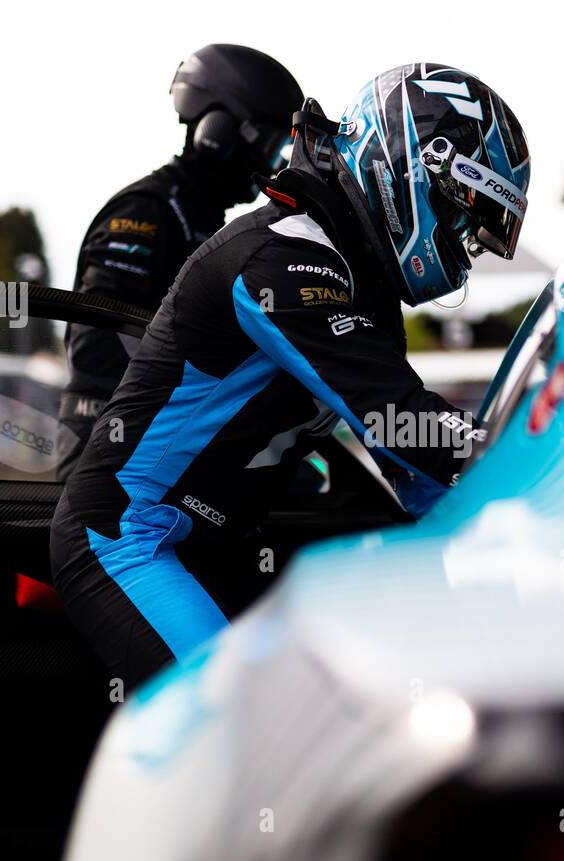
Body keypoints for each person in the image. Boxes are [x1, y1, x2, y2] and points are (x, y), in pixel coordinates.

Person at [51, 64, 531, 689]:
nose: (465, 242)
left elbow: (417, 472)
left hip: (216, 547)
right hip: (127, 542)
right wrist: (538, 464)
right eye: (465, 215)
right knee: (235, 744)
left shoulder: (360, 282)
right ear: (415, 168)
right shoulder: (281, 254)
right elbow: (401, 419)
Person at [57, 44, 303, 480]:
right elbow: (104, 344)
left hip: (164, 449)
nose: (274, 162)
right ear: (219, 132)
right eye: (268, 144)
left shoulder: (205, 224)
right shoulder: (147, 212)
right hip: (110, 457)